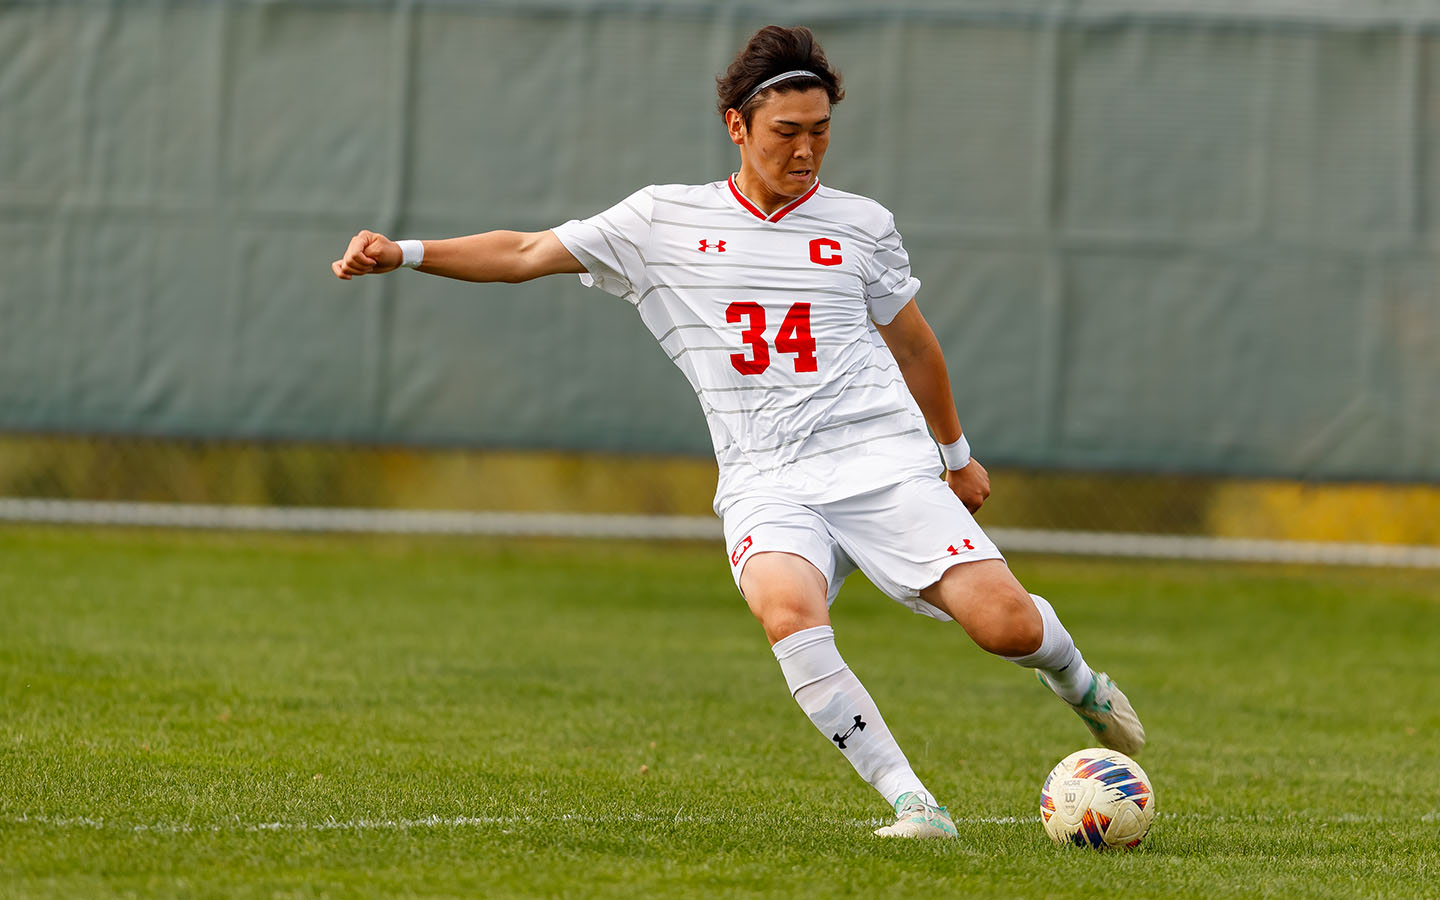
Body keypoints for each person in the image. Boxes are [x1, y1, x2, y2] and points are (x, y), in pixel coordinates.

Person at [332, 24, 1142, 839]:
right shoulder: (662, 220)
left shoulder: (860, 224)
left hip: (881, 461)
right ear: (736, 125)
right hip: (766, 478)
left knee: (1006, 628)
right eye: (787, 131)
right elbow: (522, 251)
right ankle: (914, 804)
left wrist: (956, 457)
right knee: (787, 613)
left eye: (820, 131)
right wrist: (404, 252)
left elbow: (914, 345)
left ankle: (1077, 680)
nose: (806, 150)